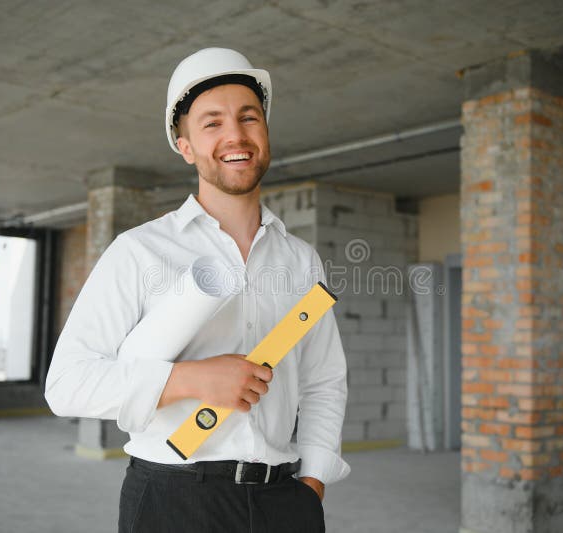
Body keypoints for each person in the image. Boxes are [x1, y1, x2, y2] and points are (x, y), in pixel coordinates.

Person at [45, 47, 350, 533]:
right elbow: (67, 385)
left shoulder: (299, 260)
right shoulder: (139, 251)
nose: (236, 135)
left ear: (265, 132)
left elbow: (323, 381)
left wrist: (312, 481)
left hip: (283, 499)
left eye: (249, 117)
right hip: (173, 502)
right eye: (212, 123)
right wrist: (189, 380)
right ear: (185, 147)